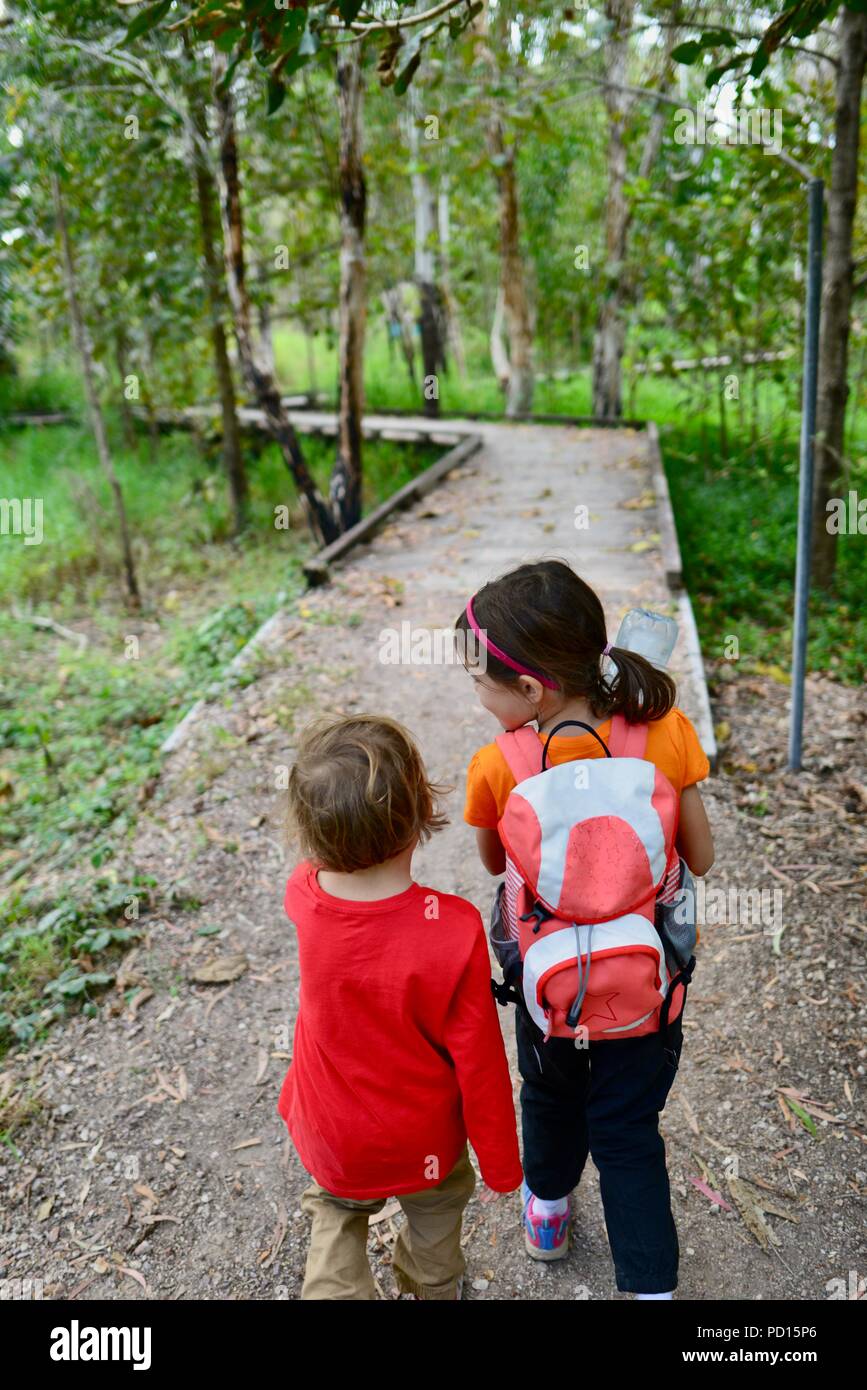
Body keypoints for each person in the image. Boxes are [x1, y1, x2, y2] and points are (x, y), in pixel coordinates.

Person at [455, 559, 714, 1299]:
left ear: (530, 690)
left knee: (548, 1097)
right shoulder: (663, 732)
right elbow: (701, 856)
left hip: (549, 992)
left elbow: (496, 864)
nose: (477, 697)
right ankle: (651, 1287)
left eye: (480, 682)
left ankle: (547, 1212)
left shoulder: (497, 763)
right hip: (647, 985)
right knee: (628, 1130)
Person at [277, 713, 523, 1300]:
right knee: (436, 1223)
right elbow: (480, 1061)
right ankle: (430, 1287)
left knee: (337, 1213)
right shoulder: (453, 929)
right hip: (424, 1140)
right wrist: (501, 1162)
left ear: (311, 835)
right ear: (418, 818)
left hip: (335, 1133)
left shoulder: (303, 897)